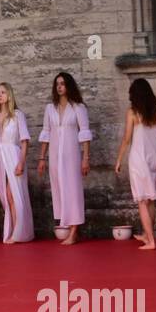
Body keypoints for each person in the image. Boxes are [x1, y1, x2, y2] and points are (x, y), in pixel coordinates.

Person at [37, 71, 92, 245]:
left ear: (69, 86)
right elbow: (46, 132)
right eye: (57, 84)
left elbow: (84, 133)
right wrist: (41, 158)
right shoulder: (49, 108)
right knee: (59, 189)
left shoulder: (78, 107)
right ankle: (68, 227)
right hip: (54, 156)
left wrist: (85, 159)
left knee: (73, 189)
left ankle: (74, 231)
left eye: (62, 83)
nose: (59, 87)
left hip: (71, 155)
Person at [114, 78, 156, 250]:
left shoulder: (133, 112)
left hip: (140, 159)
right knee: (151, 199)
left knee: (142, 201)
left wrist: (118, 160)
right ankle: (147, 234)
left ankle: (151, 241)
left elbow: (126, 139)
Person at [0, 82, 33, 244]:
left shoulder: (18, 115)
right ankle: (15, 229)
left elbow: (25, 141)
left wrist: (21, 163)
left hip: (13, 155)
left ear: (9, 95)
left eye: (3, 92)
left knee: (13, 194)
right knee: (4, 196)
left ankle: (17, 233)